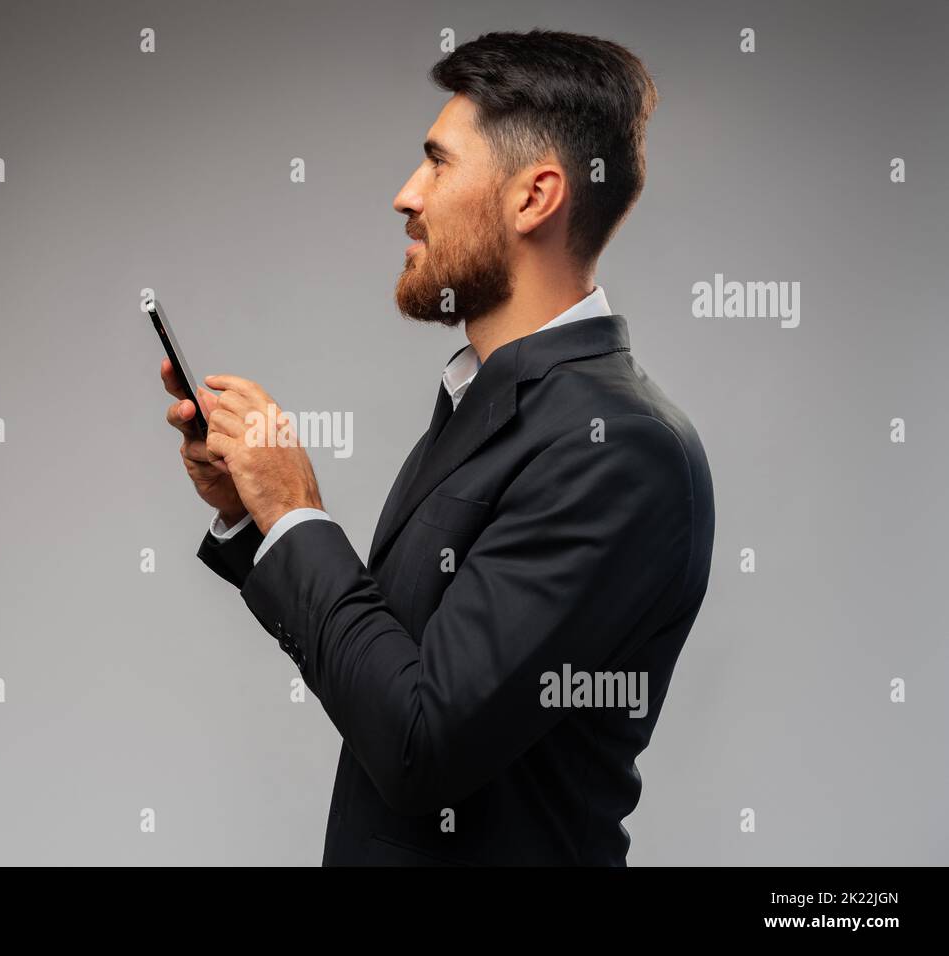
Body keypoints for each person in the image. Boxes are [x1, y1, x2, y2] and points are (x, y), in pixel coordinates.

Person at [159, 29, 715, 866]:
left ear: (535, 198)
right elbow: (383, 677)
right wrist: (259, 516)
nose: (405, 195)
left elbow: (422, 745)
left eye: (438, 163)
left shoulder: (619, 449)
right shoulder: (486, 401)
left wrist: (299, 514)